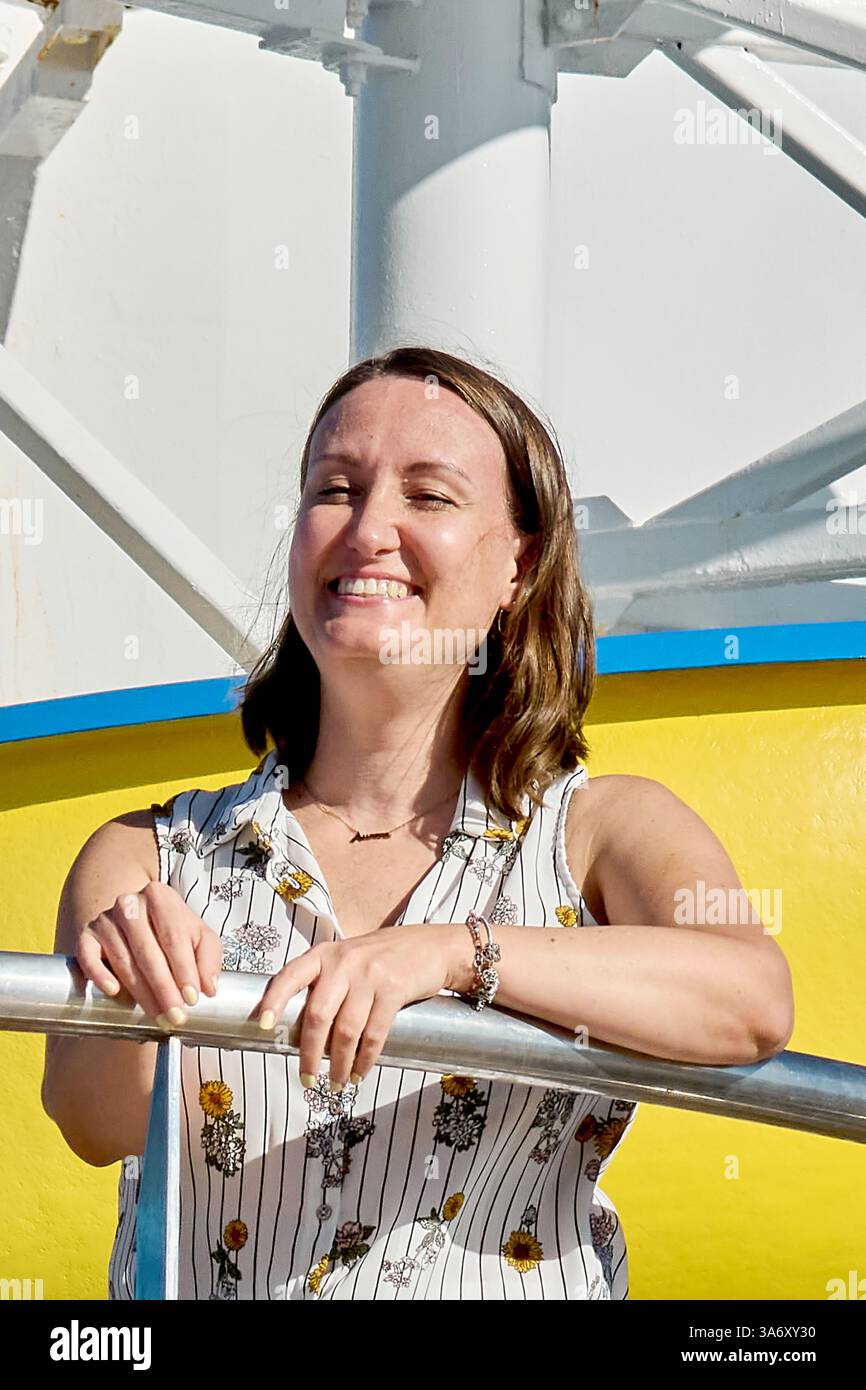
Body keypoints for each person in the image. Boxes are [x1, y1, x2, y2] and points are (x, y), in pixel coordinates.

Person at [41, 345, 795, 1300]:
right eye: (336, 489)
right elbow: (91, 1123)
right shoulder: (149, 857)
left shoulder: (601, 832)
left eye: (429, 496)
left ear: (520, 563)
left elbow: (751, 999)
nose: (369, 531)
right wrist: (131, 999)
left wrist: (452, 956)